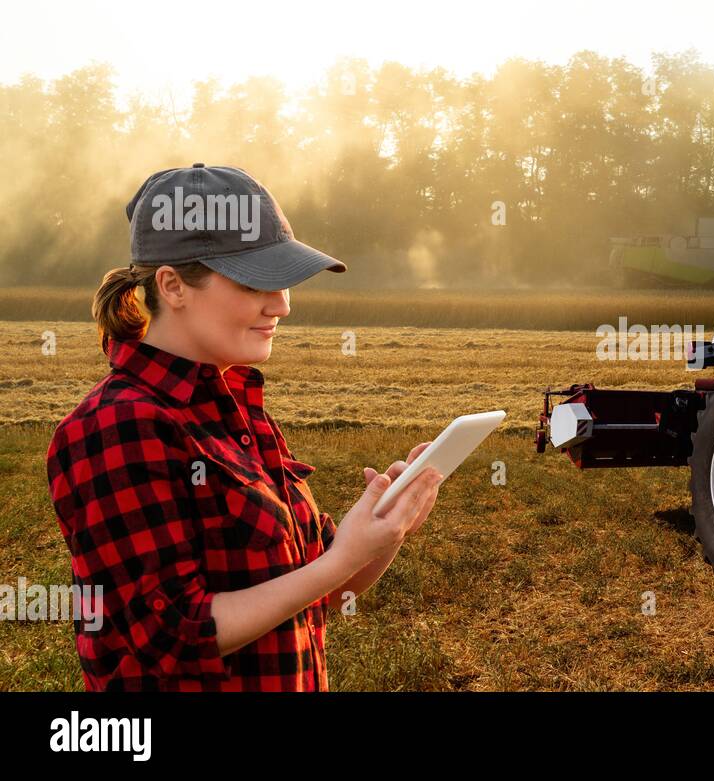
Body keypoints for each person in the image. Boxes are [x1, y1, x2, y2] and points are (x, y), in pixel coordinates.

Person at [45, 164, 442, 691]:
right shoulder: (114, 427)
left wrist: (388, 529)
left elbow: (318, 591)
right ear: (173, 285)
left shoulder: (236, 409)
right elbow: (173, 636)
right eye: (257, 281)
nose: (282, 305)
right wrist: (342, 557)